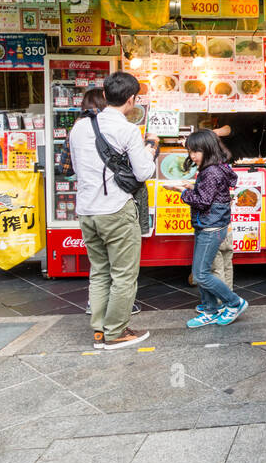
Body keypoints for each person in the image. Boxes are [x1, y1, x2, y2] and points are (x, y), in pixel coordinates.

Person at [69, 71, 156, 349]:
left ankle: (99, 330)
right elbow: (144, 173)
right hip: (116, 209)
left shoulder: (80, 127)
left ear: (105, 95)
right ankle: (116, 333)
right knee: (123, 274)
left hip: (86, 211)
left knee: (99, 271)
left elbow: (75, 166)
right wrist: (150, 150)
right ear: (132, 100)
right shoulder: (128, 130)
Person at [168, 130, 247, 328]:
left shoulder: (210, 172)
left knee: (201, 273)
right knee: (201, 269)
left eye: (196, 151)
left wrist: (182, 191)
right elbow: (211, 195)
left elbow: (203, 202)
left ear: (208, 149)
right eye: (190, 151)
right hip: (211, 225)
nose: (192, 156)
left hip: (210, 227)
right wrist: (194, 186)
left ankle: (234, 302)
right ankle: (209, 309)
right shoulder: (216, 168)